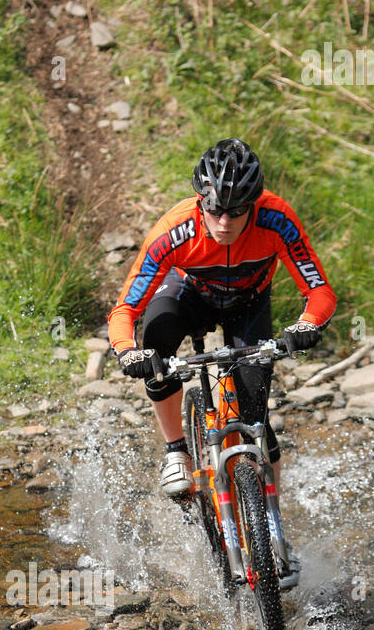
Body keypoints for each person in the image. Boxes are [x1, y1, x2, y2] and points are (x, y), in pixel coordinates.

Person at [107, 137, 337, 500]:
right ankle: (175, 452)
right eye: (214, 210)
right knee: (156, 342)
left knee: (253, 413)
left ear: (255, 204)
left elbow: (320, 290)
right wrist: (127, 351)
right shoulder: (173, 230)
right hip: (187, 295)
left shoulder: (277, 219)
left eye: (238, 211)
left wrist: (307, 325)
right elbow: (125, 310)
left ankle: (272, 521)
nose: (225, 222)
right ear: (201, 201)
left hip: (248, 304)